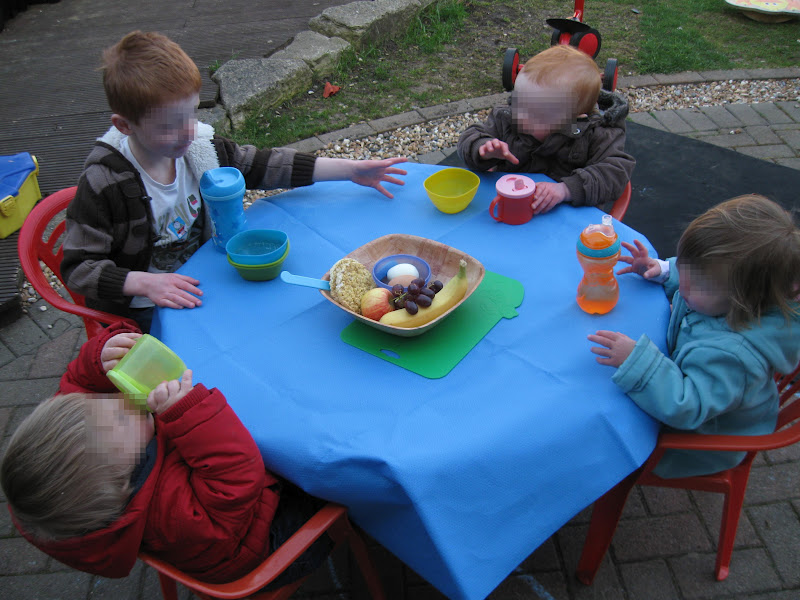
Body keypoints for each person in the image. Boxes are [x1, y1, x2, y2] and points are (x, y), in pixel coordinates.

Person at [60, 31, 408, 333]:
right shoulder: (105, 182)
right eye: (169, 125)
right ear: (124, 126)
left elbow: (264, 165)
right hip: (144, 310)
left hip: (210, 277)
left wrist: (349, 170)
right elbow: (78, 268)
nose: (187, 133)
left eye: (191, 115)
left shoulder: (197, 148)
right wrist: (143, 283)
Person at [0, 322, 331, 587]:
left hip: (221, 517)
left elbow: (75, 385)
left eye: (95, 402)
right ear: (129, 477)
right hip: (262, 542)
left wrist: (100, 358)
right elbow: (239, 476)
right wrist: (188, 414)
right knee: (324, 477)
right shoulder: (174, 518)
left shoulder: (83, 461)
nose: (117, 399)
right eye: (120, 416)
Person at [588, 194, 800, 478]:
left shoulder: (732, 356)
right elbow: (701, 272)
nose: (684, 283)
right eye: (686, 267)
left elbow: (687, 407)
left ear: (742, 301)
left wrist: (637, 362)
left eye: (694, 283)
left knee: (596, 431)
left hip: (697, 442)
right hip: (701, 398)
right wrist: (663, 270)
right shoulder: (729, 296)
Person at [457, 44, 634, 215]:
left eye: (537, 114)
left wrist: (566, 189)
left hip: (566, 218)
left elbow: (616, 173)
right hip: (510, 210)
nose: (521, 116)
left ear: (574, 119)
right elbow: (469, 137)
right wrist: (482, 148)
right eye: (519, 103)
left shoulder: (598, 133)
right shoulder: (507, 118)